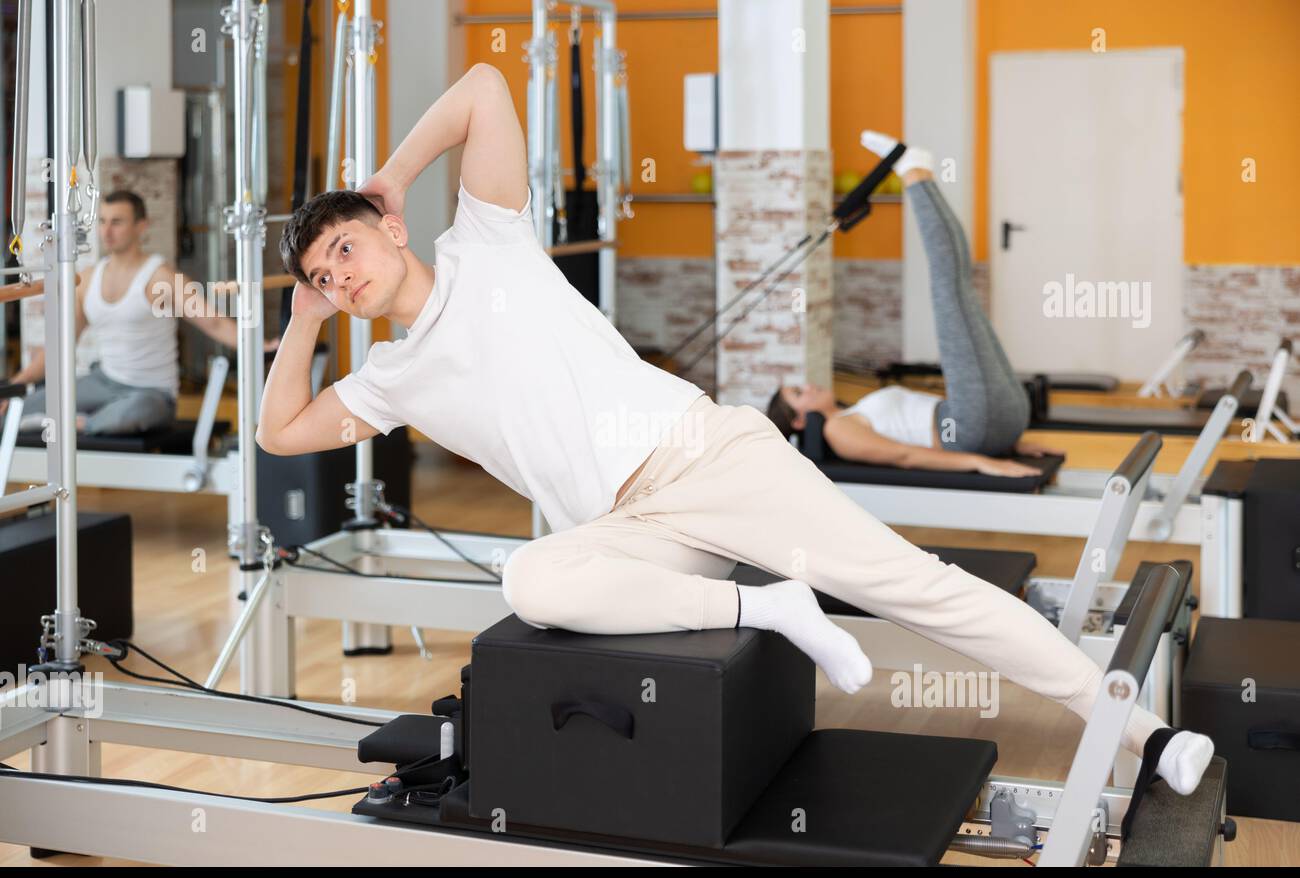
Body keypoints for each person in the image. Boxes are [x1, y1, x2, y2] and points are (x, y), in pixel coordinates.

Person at [259, 63, 1214, 796]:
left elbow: (484, 84)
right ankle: (770, 610)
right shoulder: (386, 378)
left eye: (345, 248)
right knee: (532, 577)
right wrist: (303, 320)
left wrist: (389, 173)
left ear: (391, 230)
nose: (339, 275)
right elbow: (280, 433)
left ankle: (1150, 737)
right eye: (323, 276)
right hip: (635, 529)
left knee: (922, 589)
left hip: (708, 458)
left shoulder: (487, 238)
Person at [767, 132, 1060, 476]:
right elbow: (907, 457)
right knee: (950, 286)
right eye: (800, 393)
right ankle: (915, 172)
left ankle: (918, 172)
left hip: (987, 424)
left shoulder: (851, 414)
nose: (810, 385)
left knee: (956, 284)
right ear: (799, 420)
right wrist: (981, 460)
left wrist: (1007, 445)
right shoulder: (838, 431)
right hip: (973, 425)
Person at [2, 190, 277, 435]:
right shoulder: (86, 279)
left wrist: (260, 346)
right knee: (15, 410)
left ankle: (85, 424)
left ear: (141, 226)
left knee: (134, 412)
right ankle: (77, 420)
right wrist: (12, 388)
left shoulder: (161, 278)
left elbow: (214, 323)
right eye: (103, 221)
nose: (107, 230)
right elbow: (59, 346)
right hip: (103, 382)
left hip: (151, 392)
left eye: (117, 222)